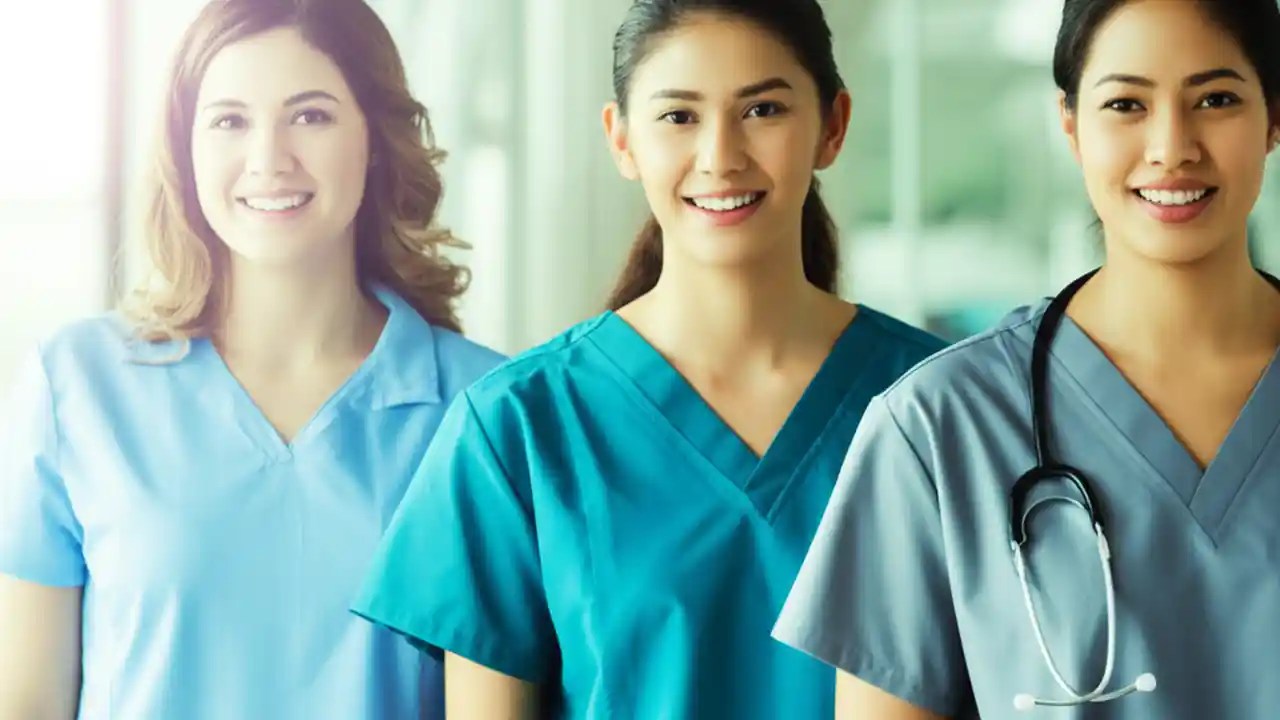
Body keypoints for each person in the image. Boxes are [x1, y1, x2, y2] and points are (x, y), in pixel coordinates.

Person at [351, 1, 946, 718]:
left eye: (763, 110)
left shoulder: (940, 408)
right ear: (622, 140)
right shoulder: (518, 428)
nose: (721, 155)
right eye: (678, 117)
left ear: (833, 126)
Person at [771, 0, 1280, 717]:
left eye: (1217, 99)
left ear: (1274, 119)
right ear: (1070, 126)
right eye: (1126, 103)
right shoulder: (939, 428)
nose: (1172, 145)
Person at [0, 1, 504, 718]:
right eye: (229, 120)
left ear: (375, 140)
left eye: (311, 115)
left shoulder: (485, 408)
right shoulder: (74, 385)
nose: (269, 160)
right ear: (186, 148)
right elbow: (27, 701)